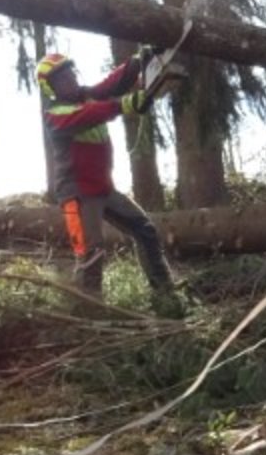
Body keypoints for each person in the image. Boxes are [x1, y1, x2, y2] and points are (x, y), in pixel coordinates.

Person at [36, 49, 184, 318]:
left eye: (70, 72)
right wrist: (125, 105)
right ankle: (90, 317)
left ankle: (164, 293)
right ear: (51, 87)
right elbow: (89, 114)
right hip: (77, 195)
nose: (69, 79)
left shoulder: (87, 95)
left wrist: (139, 60)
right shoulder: (55, 115)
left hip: (104, 189)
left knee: (145, 230)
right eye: (61, 78)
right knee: (90, 255)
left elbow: (112, 84)